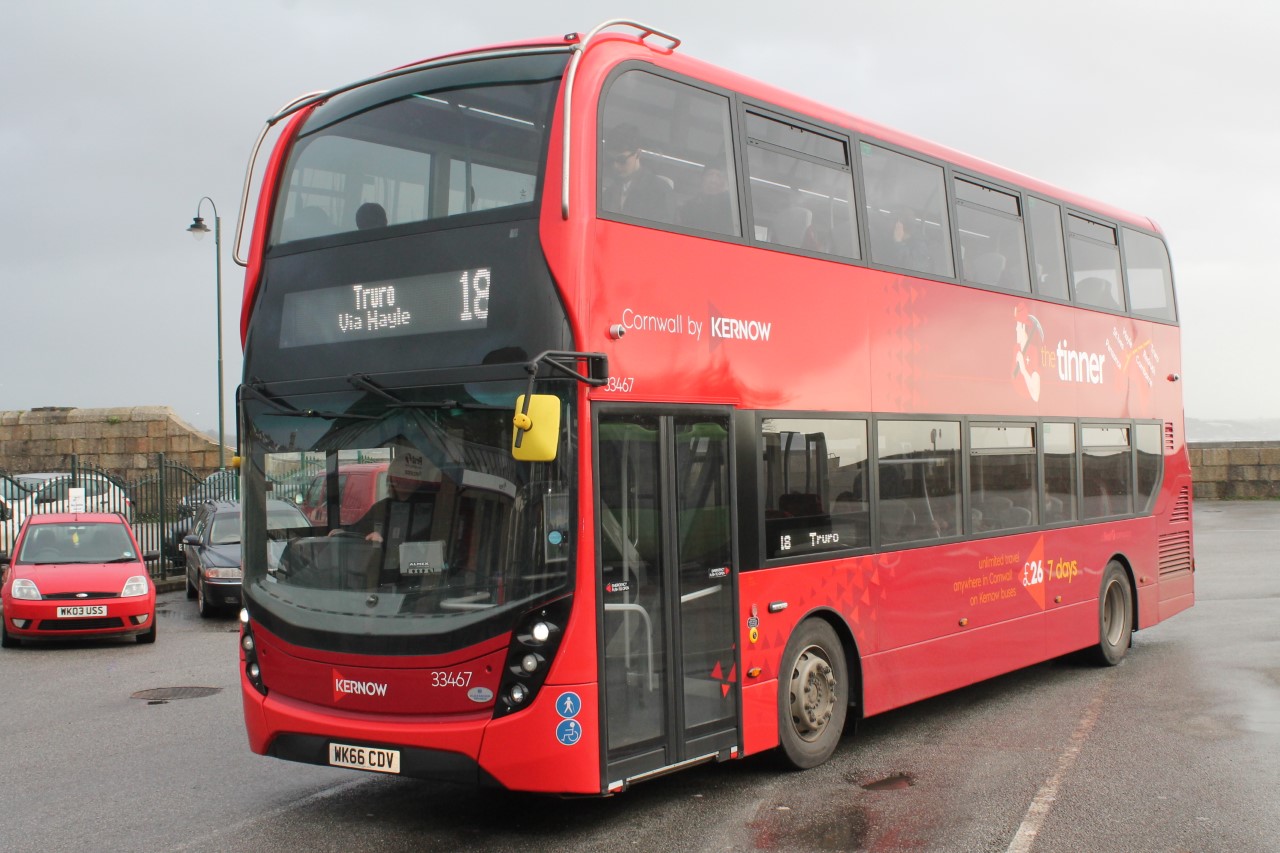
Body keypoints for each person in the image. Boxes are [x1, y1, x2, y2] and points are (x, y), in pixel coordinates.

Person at [602, 123, 674, 223]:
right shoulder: (609, 193)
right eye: (611, 160)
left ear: (638, 154)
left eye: (621, 160)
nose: (615, 166)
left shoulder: (660, 191)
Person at [678, 163, 734, 234]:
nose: (713, 180)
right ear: (702, 179)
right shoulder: (688, 206)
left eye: (718, 176)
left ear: (724, 182)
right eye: (710, 175)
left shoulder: (731, 207)